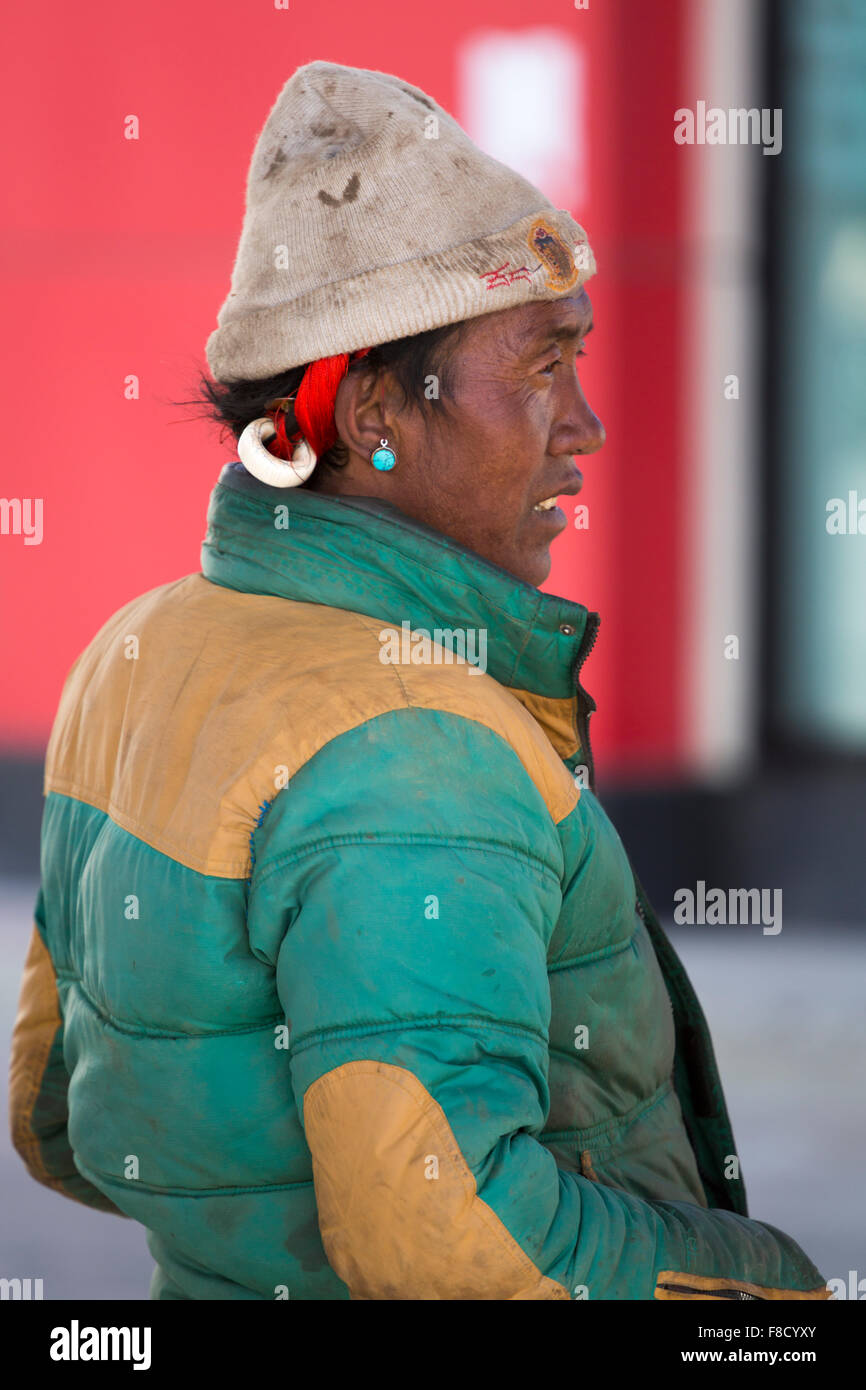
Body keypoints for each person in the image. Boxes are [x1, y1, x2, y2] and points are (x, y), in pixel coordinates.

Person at [9, 60, 829, 1301]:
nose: (586, 427)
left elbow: (57, 1119)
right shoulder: (411, 746)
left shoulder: (136, 650)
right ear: (374, 411)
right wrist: (764, 1287)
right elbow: (448, 1245)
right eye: (542, 365)